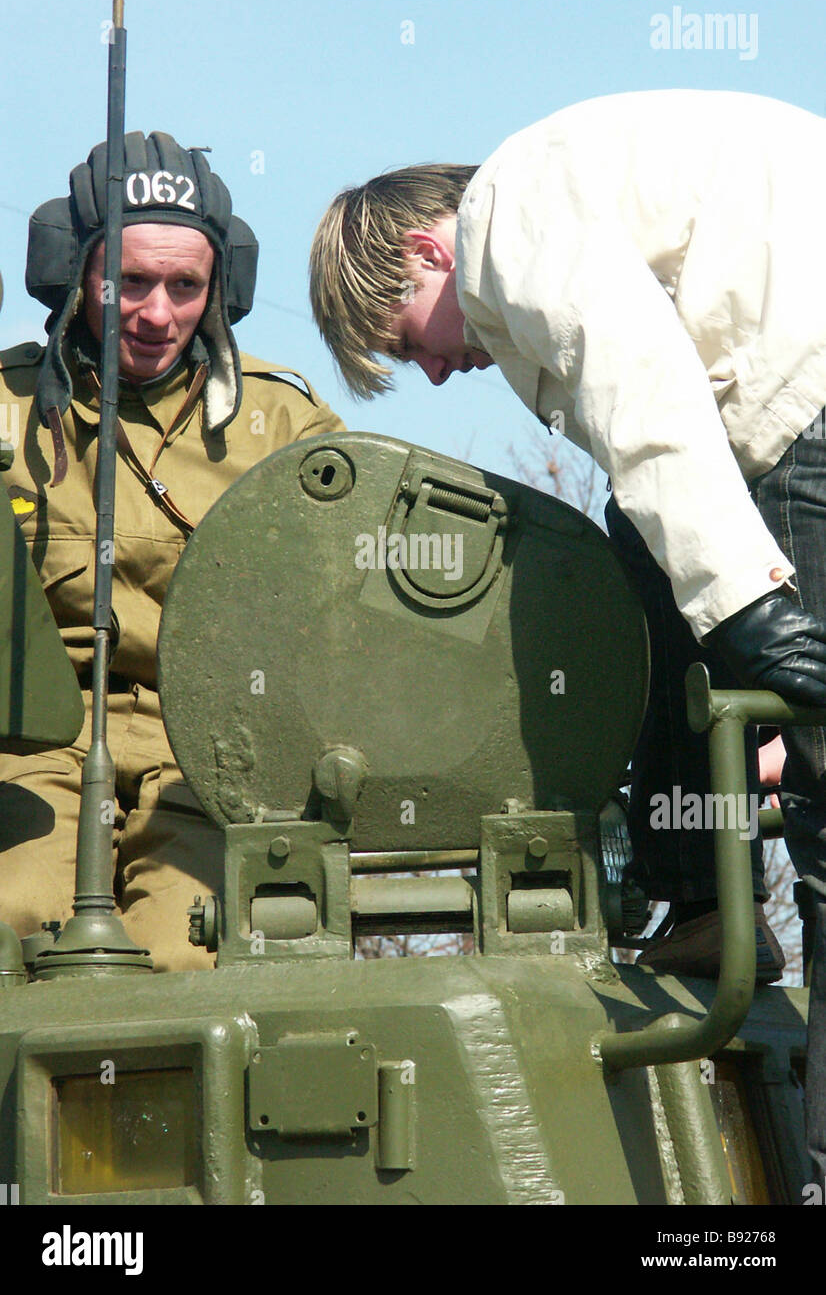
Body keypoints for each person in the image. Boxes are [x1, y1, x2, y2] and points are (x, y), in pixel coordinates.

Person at [309, 89, 826, 1184]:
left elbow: (648, 394)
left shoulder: (509, 216)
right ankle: (700, 905)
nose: (439, 374)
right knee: (644, 552)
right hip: (790, 373)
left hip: (803, 390)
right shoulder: (582, 174)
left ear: (424, 254)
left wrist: (751, 611)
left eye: (413, 345)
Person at [0, 131, 344, 971]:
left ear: (222, 289)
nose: (157, 313)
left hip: (209, 757)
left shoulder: (284, 428)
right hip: (30, 745)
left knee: (191, 956)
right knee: (11, 928)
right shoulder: (1, 406)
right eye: (130, 280)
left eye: (186, 285)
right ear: (74, 272)